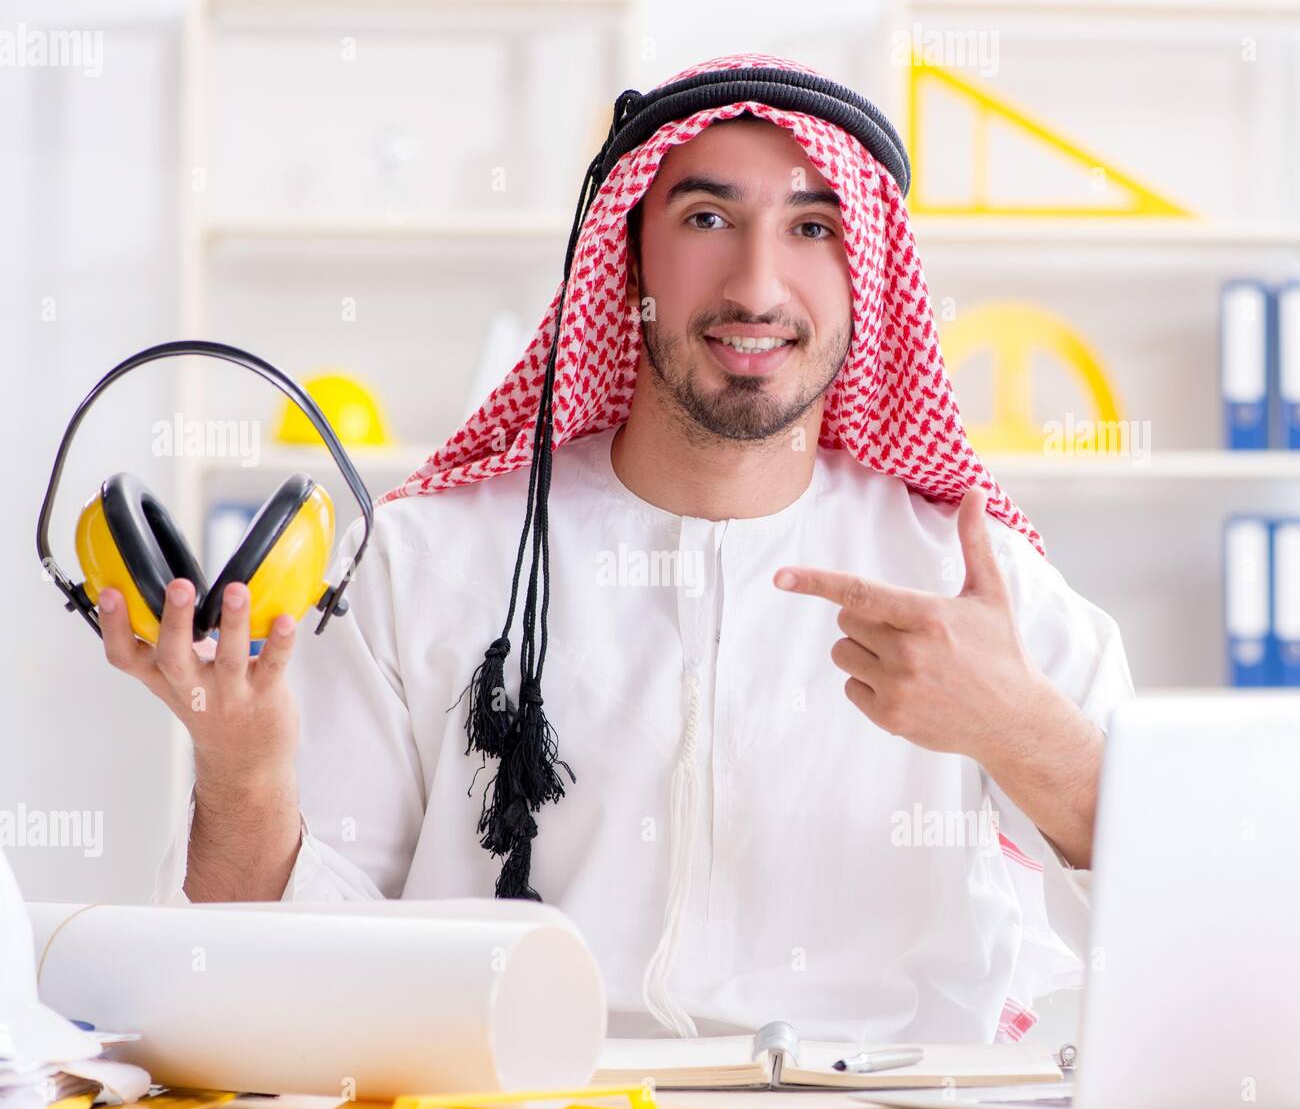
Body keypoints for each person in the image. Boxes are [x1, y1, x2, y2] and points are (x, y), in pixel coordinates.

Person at [98, 55, 1133, 1042]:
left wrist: (1024, 733)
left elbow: (1199, 944)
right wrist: (240, 776)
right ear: (626, 255)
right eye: (706, 217)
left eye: (811, 225)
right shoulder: (422, 568)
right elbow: (265, 983)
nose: (758, 285)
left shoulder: (976, 585)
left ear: (868, 270)